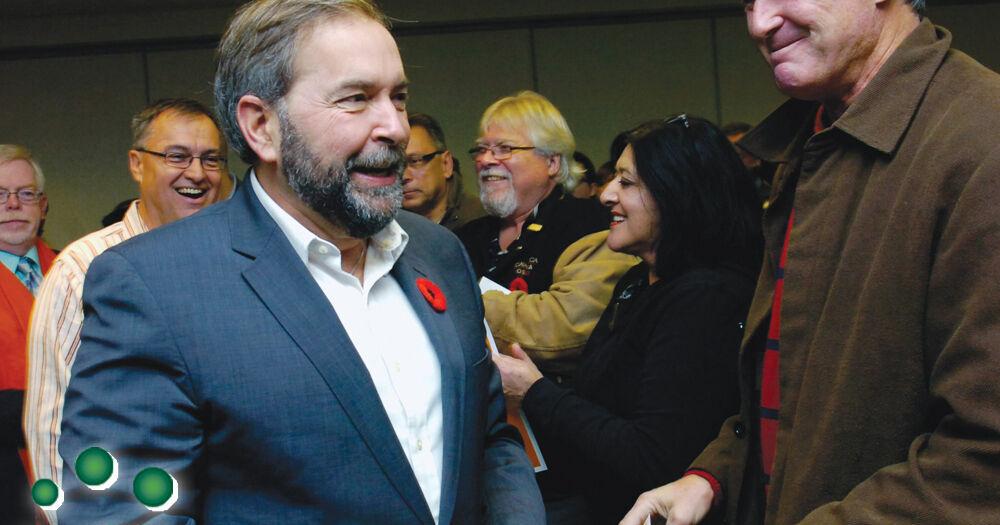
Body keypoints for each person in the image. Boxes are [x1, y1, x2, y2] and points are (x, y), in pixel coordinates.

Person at [57, 1, 543, 523]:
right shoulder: (153, 286)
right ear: (262, 126)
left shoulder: (440, 254)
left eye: (398, 98)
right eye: (356, 99)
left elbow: (491, 439)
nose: (395, 128)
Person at [621, 1, 1000, 524]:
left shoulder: (982, 141)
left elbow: (983, 462)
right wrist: (713, 475)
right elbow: (794, 393)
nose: (759, 24)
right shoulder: (817, 142)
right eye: (749, 2)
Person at [494, 116, 762, 524]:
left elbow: (653, 458)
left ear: (678, 193)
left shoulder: (706, 299)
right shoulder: (639, 281)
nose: (605, 195)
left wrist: (535, 392)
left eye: (627, 182)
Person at [23, 98, 228, 524]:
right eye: (177, 156)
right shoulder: (82, 267)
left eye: (211, 159)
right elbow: (51, 415)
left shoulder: (235, 260)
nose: (197, 173)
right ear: (137, 164)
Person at [0, 145, 53, 524]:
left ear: (43, 205)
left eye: (25, 193)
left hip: (89, 472)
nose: (13, 205)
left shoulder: (85, 272)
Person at [402, 113, 478, 230]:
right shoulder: (386, 227)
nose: (404, 176)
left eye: (415, 161)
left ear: (446, 164)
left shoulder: (479, 223)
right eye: (395, 166)